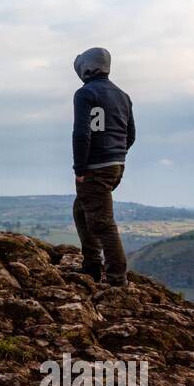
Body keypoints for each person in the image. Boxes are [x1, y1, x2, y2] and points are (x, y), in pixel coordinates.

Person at [71, 47, 135, 287]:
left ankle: (117, 278)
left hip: (94, 167)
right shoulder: (122, 96)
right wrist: (117, 154)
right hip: (116, 165)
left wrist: (80, 169)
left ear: (86, 67)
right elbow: (131, 135)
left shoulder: (85, 94)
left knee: (101, 222)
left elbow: (81, 134)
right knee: (81, 210)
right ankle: (91, 266)